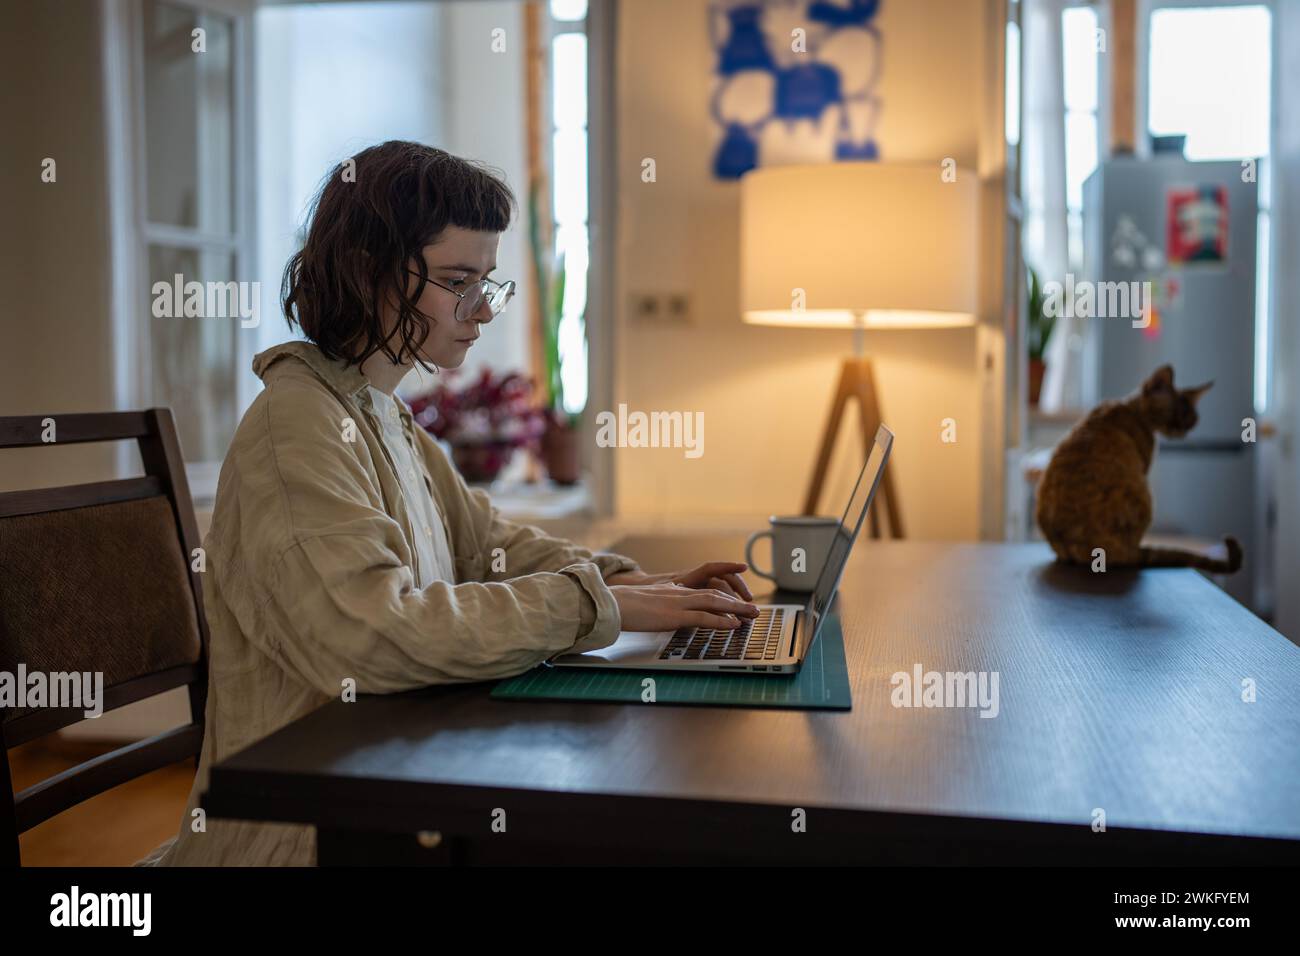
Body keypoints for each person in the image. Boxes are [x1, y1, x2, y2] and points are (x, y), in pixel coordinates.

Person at [137, 141, 757, 866]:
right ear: (369, 270)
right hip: (307, 836)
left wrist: (633, 584)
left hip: (376, 792)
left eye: (489, 282)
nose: (483, 311)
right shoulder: (296, 427)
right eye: (459, 280)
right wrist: (596, 606)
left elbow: (491, 546)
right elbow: (372, 636)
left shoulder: (383, 414)